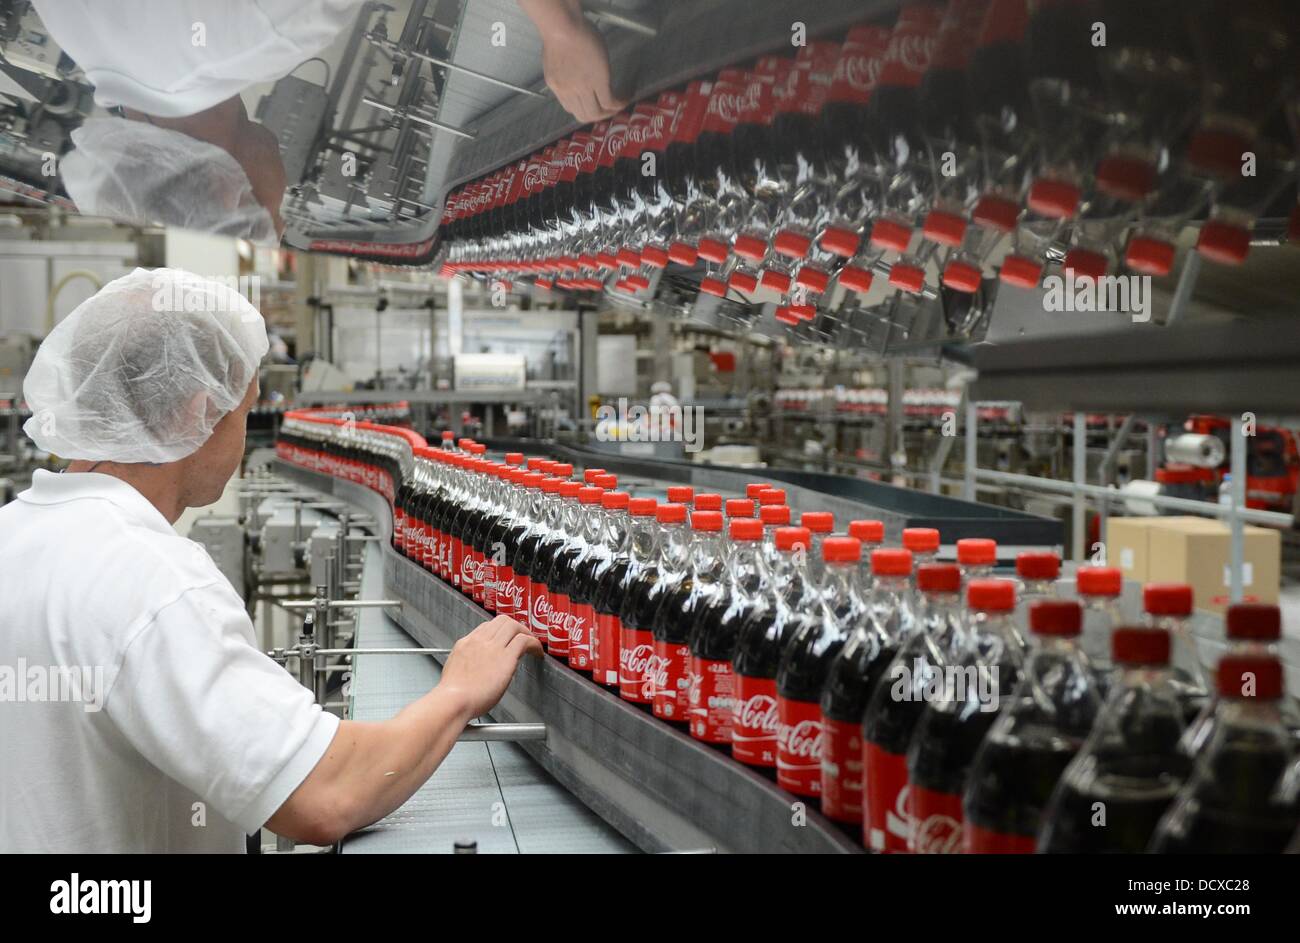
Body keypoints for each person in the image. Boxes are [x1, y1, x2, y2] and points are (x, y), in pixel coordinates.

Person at [0, 268, 542, 853]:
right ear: (196, 413)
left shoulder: (13, 532)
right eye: (245, 412)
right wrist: (458, 692)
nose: (242, 440)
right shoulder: (154, 582)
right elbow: (324, 795)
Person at [36, 0, 624, 240]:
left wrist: (559, 28)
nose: (287, 200)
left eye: (274, 217)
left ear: (225, 190)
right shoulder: (68, 20)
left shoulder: (271, 28)